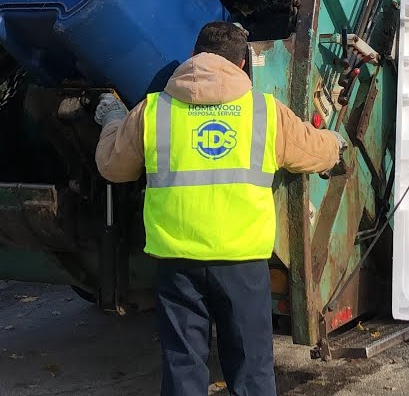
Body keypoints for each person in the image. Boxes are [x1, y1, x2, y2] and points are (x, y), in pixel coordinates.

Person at [94, 21, 345, 396]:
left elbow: (112, 167)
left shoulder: (154, 111)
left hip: (178, 262)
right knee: (251, 369)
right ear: (243, 64)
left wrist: (113, 117)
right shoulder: (263, 111)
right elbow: (314, 150)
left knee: (183, 366)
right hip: (242, 263)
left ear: (194, 56)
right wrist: (335, 142)